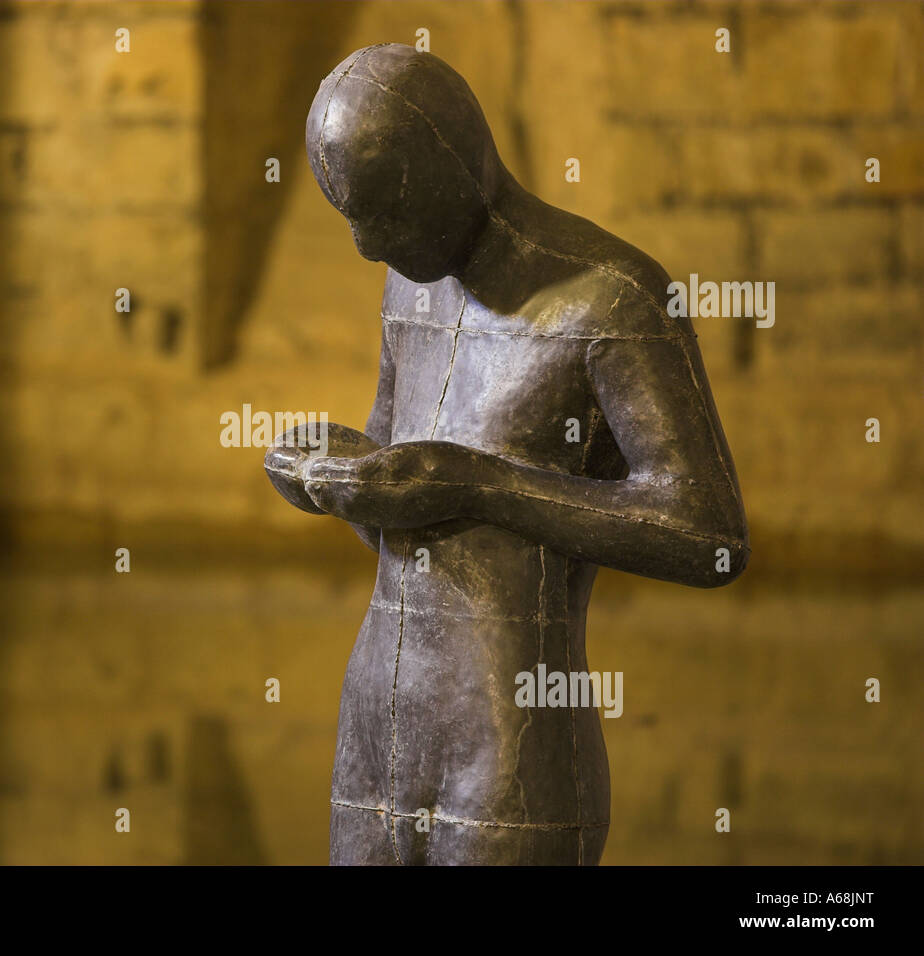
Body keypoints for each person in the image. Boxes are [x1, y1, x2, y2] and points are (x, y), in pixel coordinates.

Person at [266, 43, 749, 865]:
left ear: (459, 166)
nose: (365, 248)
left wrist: (476, 483)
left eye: (383, 214)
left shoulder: (613, 298)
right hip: (377, 730)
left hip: (511, 740)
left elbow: (710, 537)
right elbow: (401, 499)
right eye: (350, 218)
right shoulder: (409, 286)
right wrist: (340, 480)